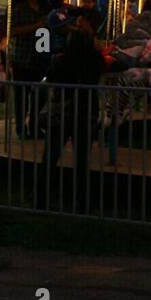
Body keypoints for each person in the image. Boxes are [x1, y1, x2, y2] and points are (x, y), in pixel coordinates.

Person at [40, 25, 105, 212]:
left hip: (62, 112)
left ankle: (42, 198)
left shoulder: (60, 61)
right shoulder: (95, 61)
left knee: (51, 157)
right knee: (82, 160)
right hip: (86, 111)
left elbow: (50, 78)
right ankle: (82, 202)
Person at [7, 0, 48, 135]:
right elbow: (13, 31)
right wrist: (34, 27)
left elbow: (46, 32)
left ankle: (34, 123)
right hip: (22, 56)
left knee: (40, 94)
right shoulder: (18, 9)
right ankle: (20, 126)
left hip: (40, 55)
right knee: (21, 95)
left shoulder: (44, 9)